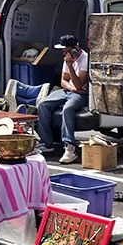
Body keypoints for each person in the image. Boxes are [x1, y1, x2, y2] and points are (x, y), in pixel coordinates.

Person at [37, 34, 89, 164]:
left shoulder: (85, 60)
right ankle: (47, 142)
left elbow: (79, 83)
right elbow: (63, 81)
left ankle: (70, 146)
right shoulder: (67, 59)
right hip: (69, 90)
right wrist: (72, 88)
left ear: (75, 48)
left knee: (68, 109)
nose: (64, 53)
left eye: (66, 50)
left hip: (80, 95)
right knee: (43, 104)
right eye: (63, 51)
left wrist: (70, 66)